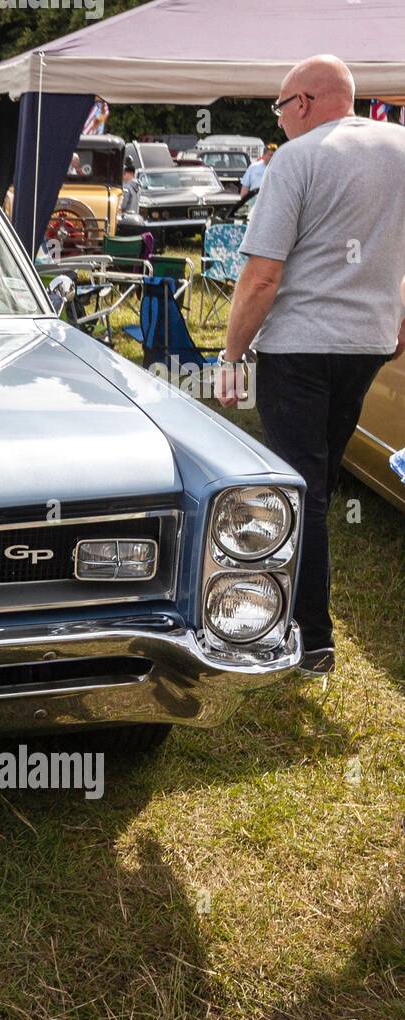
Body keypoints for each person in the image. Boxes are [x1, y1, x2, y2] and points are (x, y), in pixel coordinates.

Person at [220, 54, 405, 677]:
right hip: (369, 341)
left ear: (302, 102)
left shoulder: (298, 159)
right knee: (318, 481)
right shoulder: (400, 147)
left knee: (299, 491)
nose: (279, 119)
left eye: (278, 106)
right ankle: (304, 626)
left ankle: (308, 636)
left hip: (300, 345)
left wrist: (231, 352)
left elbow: (263, 274)